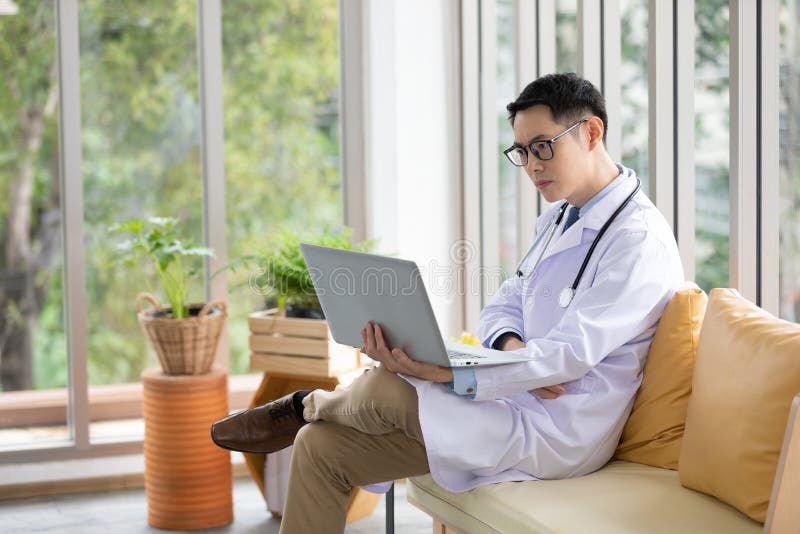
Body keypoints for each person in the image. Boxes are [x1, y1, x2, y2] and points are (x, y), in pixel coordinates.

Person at [211, 73, 684, 533]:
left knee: (383, 388)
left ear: (592, 132)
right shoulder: (559, 218)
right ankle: (309, 417)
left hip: (563, 430)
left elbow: (570, 356)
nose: (533, 165)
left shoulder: (638, 239)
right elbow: (502, 307)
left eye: (542, 146)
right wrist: (515, 354)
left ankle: (303, 405)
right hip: (514, 396)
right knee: (320, 448)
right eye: (521, 152)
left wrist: (451, 372)